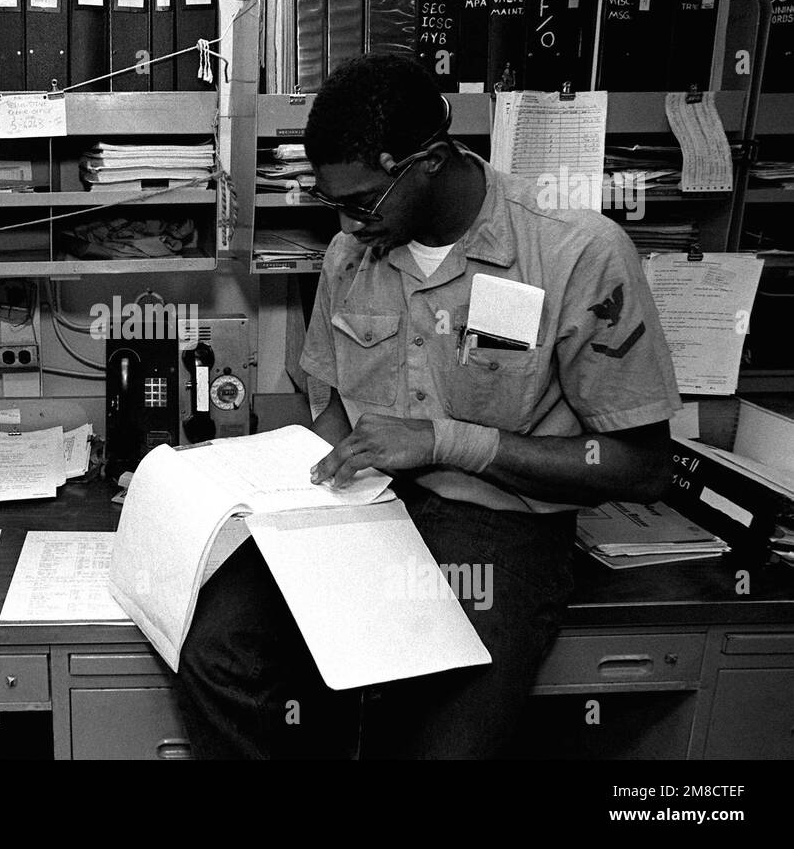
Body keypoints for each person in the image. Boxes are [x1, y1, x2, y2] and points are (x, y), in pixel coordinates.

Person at [175, 53, 683, 759]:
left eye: (362, 202)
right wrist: (222, 483)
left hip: (499, 526)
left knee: (433, 743)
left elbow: (642, 467)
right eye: (335, 205)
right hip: (367, 509)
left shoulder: (576, 253)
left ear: (432, 161)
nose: (349, 228)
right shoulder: (351, 256)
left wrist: (448, 442)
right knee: (218, 651)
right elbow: (332, 420)